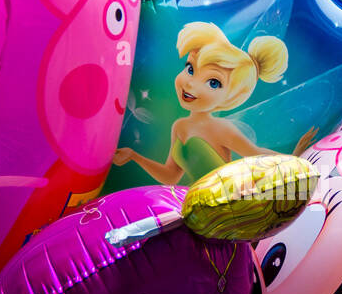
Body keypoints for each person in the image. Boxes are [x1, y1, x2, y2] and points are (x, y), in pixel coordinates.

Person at [113, 21, 315, 185]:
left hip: (226, 208)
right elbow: (170, 176)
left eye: (213, 82)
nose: (191, 84)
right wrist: (134, 156)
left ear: (231, 96)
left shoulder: (220, 128)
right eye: (190, 69)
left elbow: (255, 154)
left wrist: (295, 159)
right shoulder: (179, 127)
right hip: (196, 211)